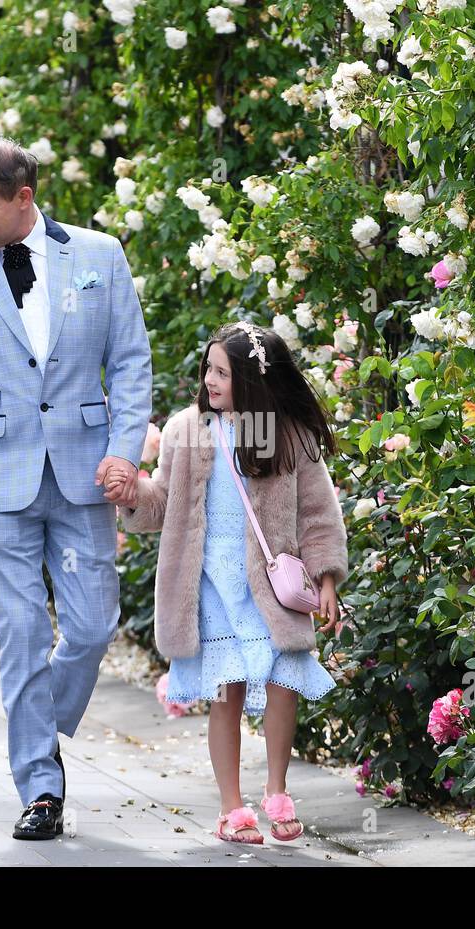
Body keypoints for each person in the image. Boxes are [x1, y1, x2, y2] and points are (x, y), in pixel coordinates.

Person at [0, 137, 151, 840]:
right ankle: (41, 786)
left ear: (24, 199)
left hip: (84, 476)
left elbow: (130, 363)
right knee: (20, 634)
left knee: (94, 625)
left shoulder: (101, 256)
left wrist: (124, 452)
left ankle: (40, 723)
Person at [116, 321, 348, 844]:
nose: (211, 379)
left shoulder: (289, 433)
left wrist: (327, 577)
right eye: (209, 369)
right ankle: (231, 807)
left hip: (268, 583)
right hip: (209, 585)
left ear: (252, 381)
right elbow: (162, 504)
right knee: (227, 692)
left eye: (223, 372)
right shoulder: (186, 430)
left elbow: (317, 515)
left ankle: (276, 789)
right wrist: (133, 493)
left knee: (284, 681)